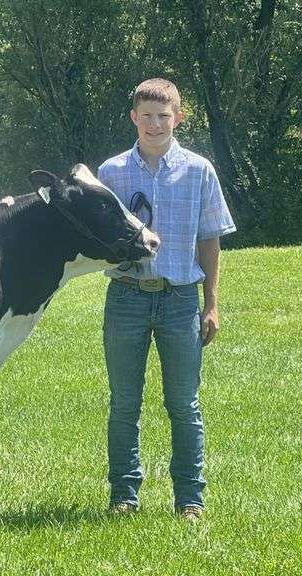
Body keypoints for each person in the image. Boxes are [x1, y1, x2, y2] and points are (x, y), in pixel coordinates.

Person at [98, 78, 236, 520]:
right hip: (127, 298)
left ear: (178, 118)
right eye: (146, 116)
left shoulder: (199, 171)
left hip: (180, 301)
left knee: (184, 403)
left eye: (164, 116)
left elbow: (210, 240)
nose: (155, 124)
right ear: (133, 118)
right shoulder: (111, 173)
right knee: (124, 402)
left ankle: (190, 499)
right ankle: (124, 495)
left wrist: (211, 303)